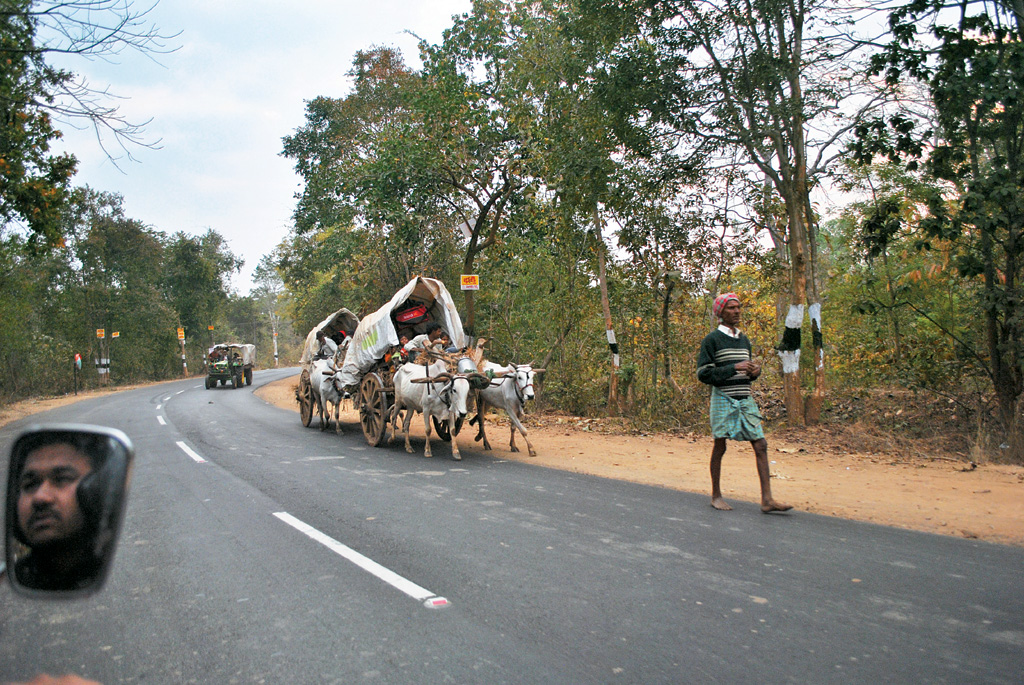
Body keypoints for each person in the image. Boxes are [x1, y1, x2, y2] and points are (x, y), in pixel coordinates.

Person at [697, 292, 792, 514]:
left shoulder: (744, 339)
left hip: (745, 399)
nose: (737, 311)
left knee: (761, 444)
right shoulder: (712, 340)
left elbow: (747, 373)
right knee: (720, 445)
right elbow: (703, 374)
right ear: (720, 312)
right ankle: (716, 495)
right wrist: (734, 368)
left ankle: (767, 500)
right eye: (731, 308)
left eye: (738, 307)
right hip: (723, 398)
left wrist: (754, 372)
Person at [13, 434, 106, 591]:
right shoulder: (15, 577)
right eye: (30, 484)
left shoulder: (107, 566)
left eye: (62, 479)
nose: (40, 497)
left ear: (96, 491)